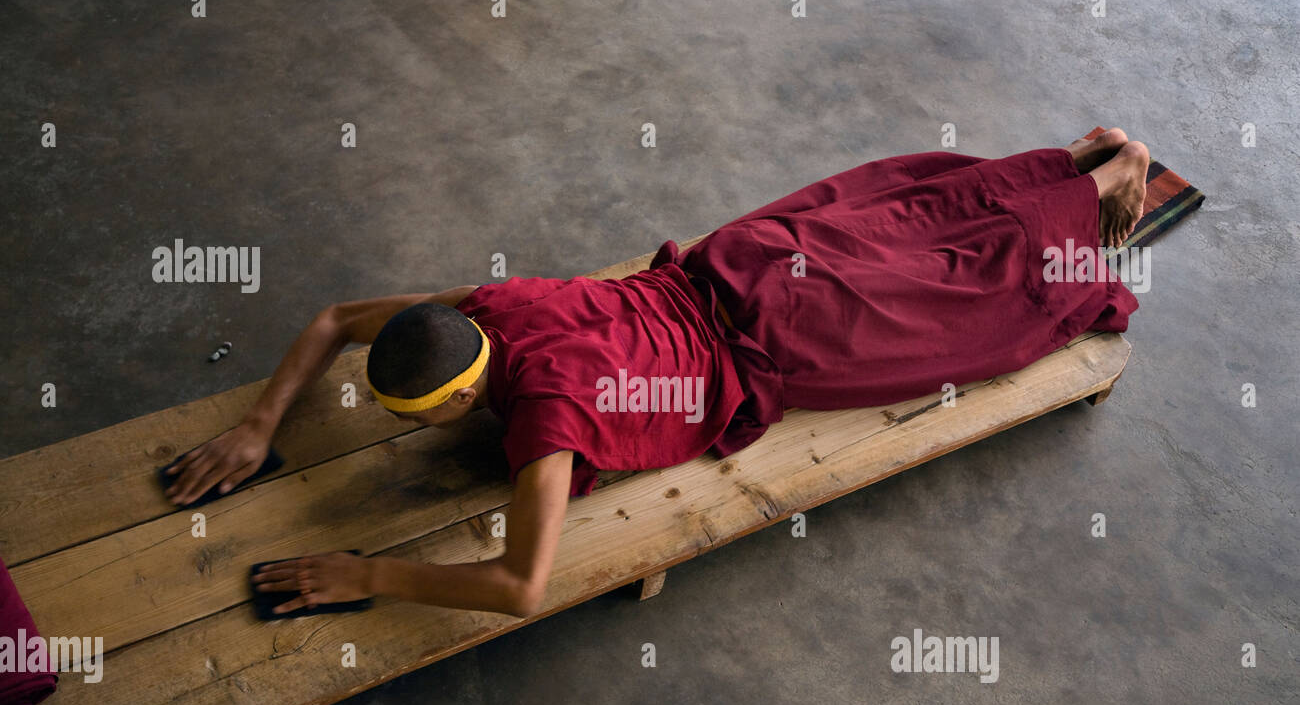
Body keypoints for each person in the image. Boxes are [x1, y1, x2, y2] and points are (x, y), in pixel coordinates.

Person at [163, 130, 1148, 618]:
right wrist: (258, 427)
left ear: (462, 395)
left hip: (785, 340)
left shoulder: (544, 418)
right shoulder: (491, 308)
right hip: (743, 256)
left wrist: (363, 573)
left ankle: (1106, 179)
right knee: (902, 223)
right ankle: (1087, 163)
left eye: (418, 413)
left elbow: (519, 581)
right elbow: (339, 317)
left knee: (965, 301)